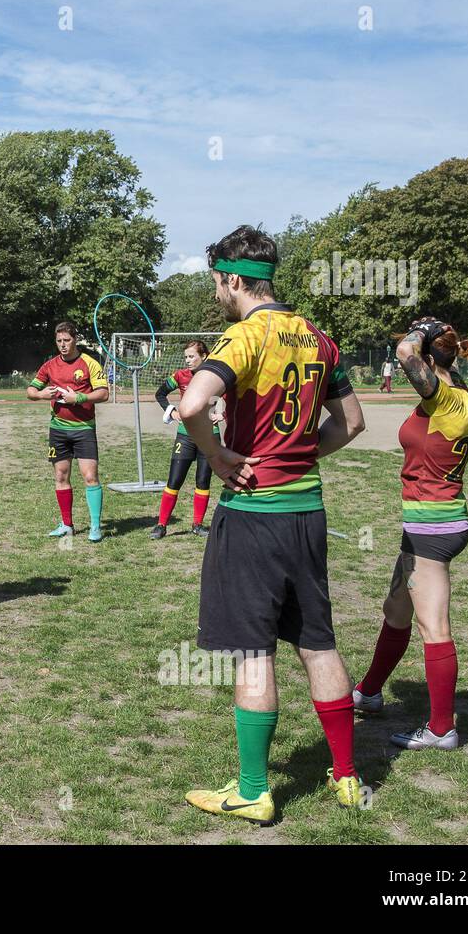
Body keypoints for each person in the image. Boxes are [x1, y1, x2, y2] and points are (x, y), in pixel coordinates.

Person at [177, 225, 366, 825]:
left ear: (233, 278)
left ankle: (254, 790)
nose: (215, 292)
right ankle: (347, 775)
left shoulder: (244, 336)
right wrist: (300, 458)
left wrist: (216, 457)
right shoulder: (319, 337)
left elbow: (190, 406)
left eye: (215, 282)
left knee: (253, 653)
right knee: (319, 644)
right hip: (308, 513)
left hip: (254, 515)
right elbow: (352, 423)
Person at [354, 318, 468, 751]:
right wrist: (433, 340)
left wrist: (422, 331)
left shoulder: (442, 399)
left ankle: (442, 728)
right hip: (430, 524)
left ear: (428, 361)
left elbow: (407, 354)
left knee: (433, 625)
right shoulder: (459, 395)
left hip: (432, 528)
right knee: (396, 609)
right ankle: (369, 692)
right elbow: (422, 360)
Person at [26, 322, 110, 542]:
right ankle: (67, 525)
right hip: (58, 430)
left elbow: (103, 394)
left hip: (84, 429)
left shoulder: (89, 363)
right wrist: (41, 395)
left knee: (90, 477)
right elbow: (30, 390)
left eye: (67, 340)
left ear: (75, 339)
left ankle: (94, 526)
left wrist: (79, 398)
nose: (63, 345)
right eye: (59, 341)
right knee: (61, 476)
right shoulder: (50, 365)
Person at [152, 340, 224, 538]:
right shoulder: (180, 376)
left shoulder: (216, 376)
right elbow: (160, 394)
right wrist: (171, 410)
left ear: (205, 357)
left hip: (210, 436)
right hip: (185, 436)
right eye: (186, 357)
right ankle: (161, 525)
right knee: (174, 480)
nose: (188, 360)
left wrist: (223, 414)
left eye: (192, 356)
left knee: (203, 480)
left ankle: (198, 525)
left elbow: (233, 397)